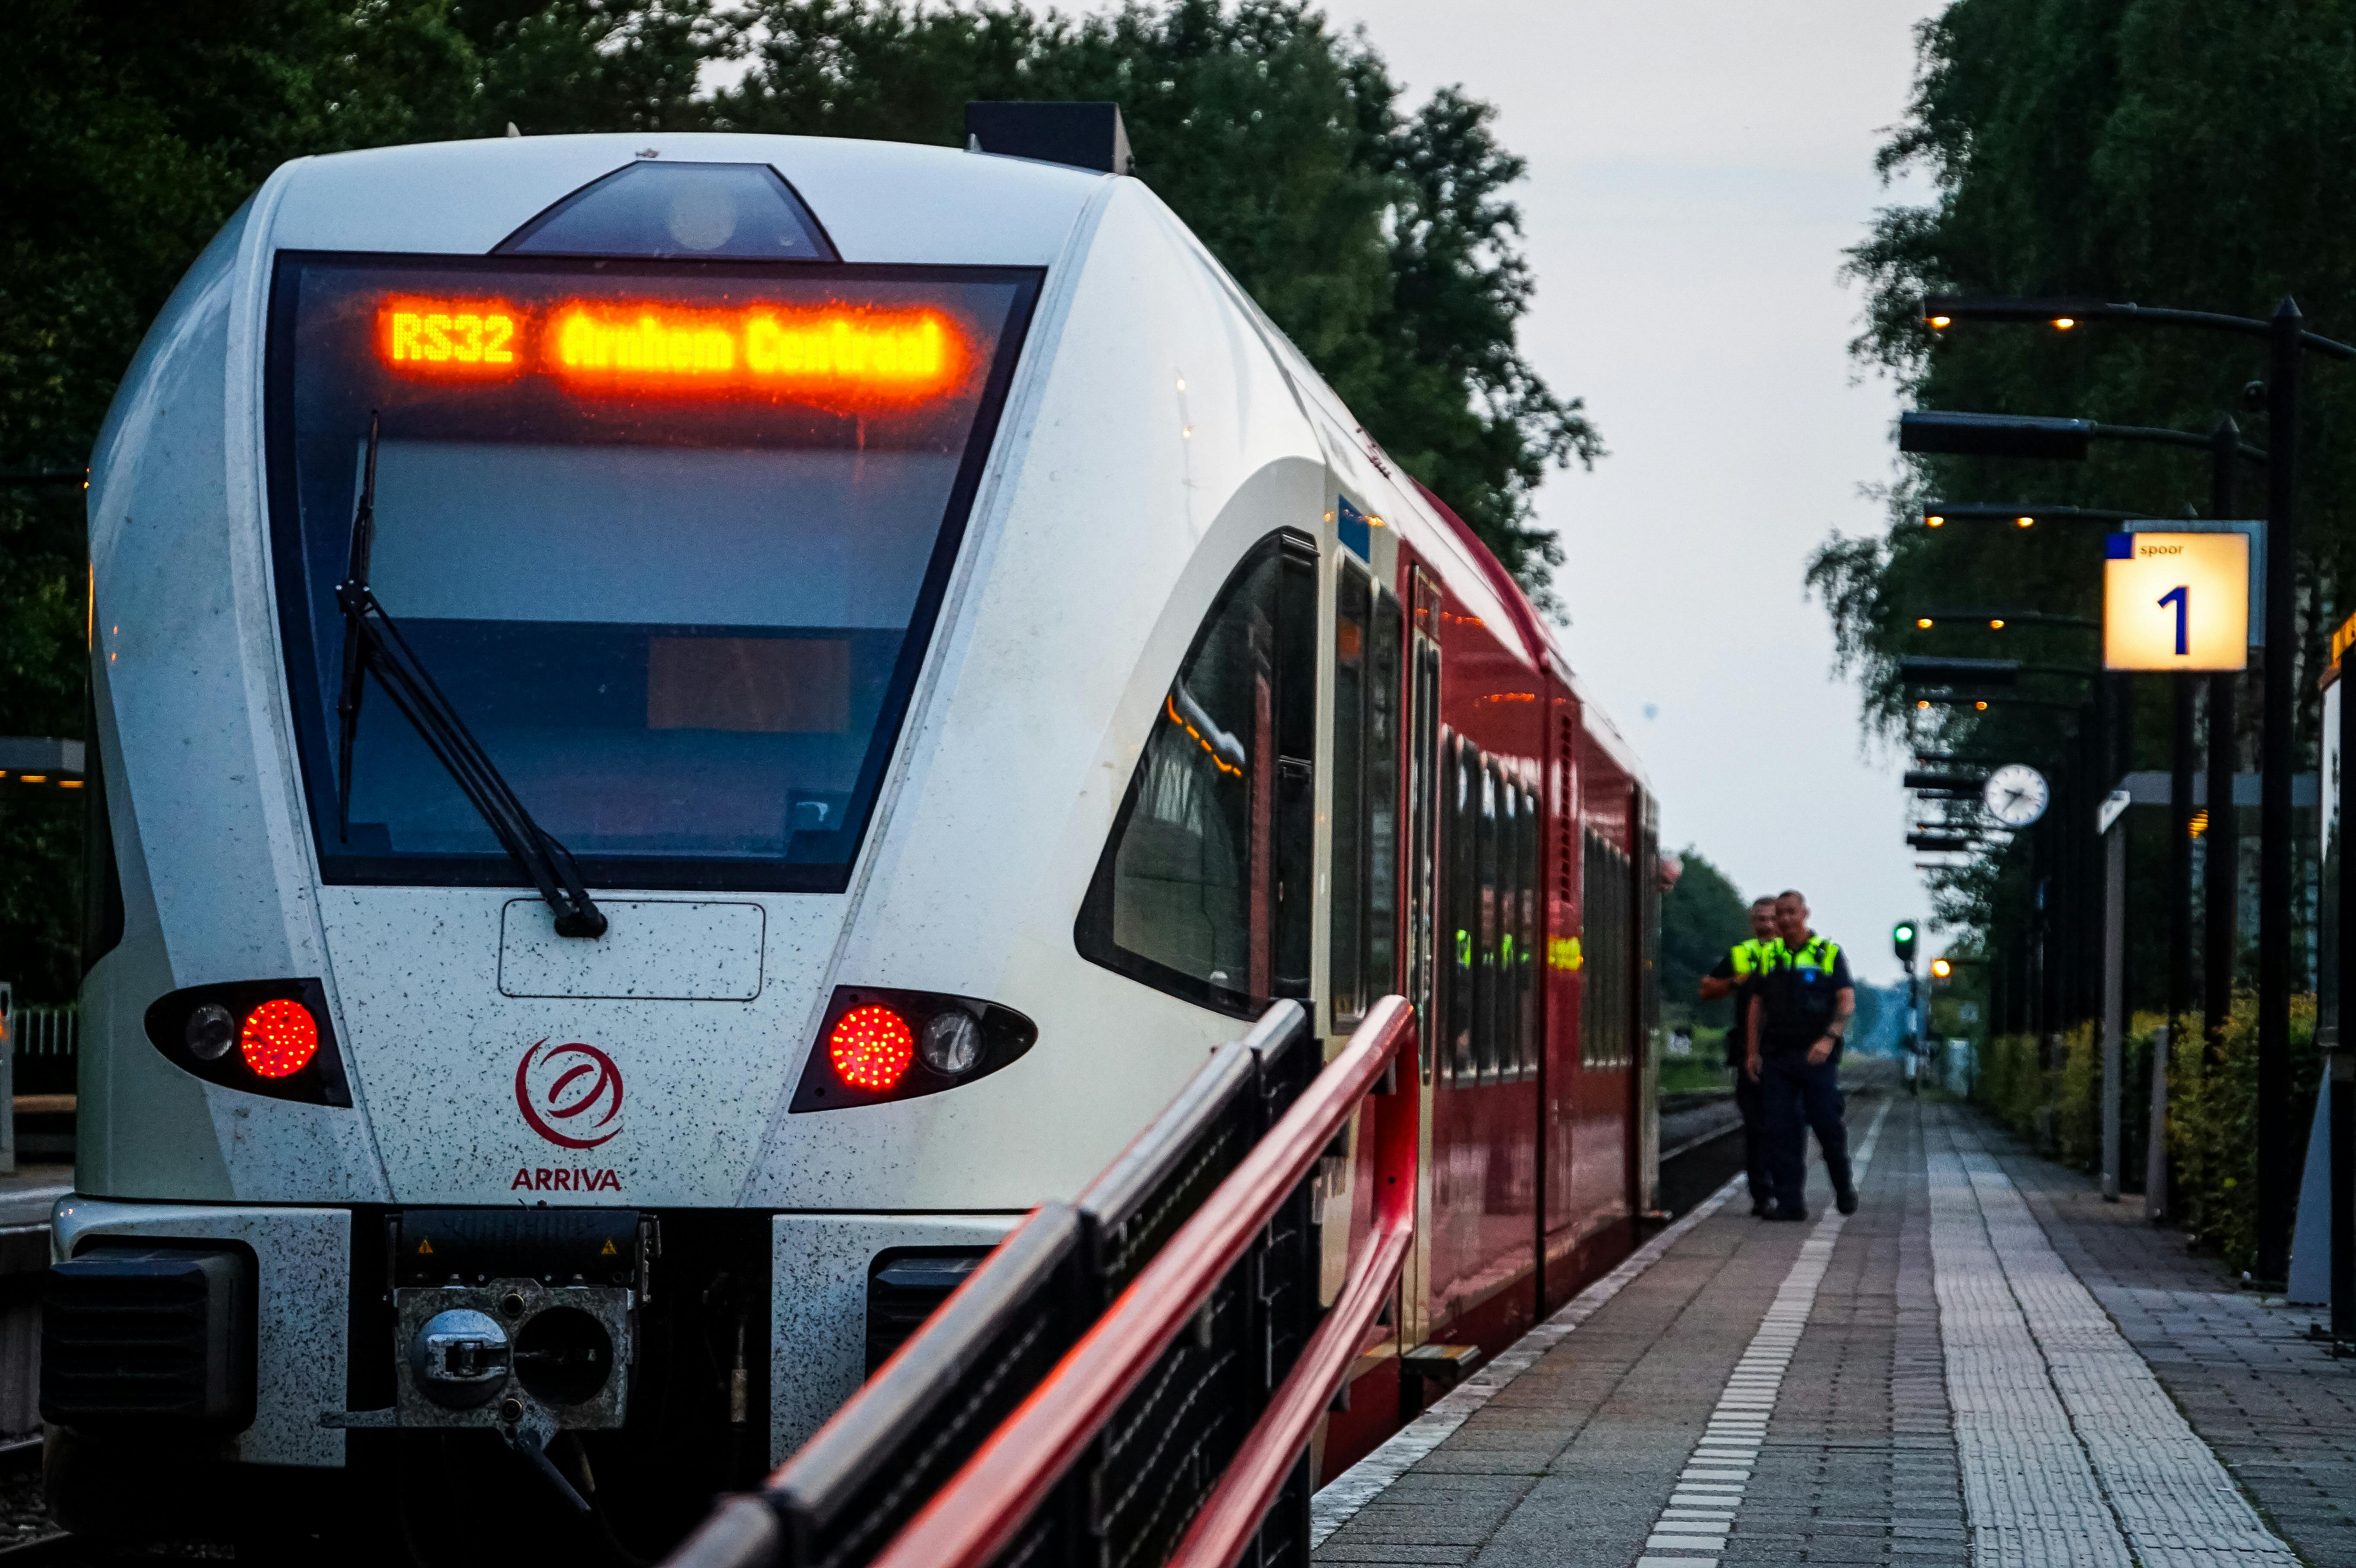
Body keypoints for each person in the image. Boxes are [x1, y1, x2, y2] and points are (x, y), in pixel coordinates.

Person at [1745, 889, 1856, 1220]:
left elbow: (1846, 1001)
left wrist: (1829, 1038)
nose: (1786, 920)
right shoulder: (1770, 956)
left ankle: (1843, 1187)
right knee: (1782, 1131)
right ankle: (1791, 1204)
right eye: (1781, 914)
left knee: (1826, 1125)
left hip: (1816, 1059)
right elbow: (1756, 1006)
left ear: (1805, 913)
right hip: (1778, 1056)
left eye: (1792, 912)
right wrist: (1752, 1051)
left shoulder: (1828, 953)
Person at [1699, 897, 1780, 1216]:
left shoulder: (1798, 954)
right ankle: (1762, 1193)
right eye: (1762, 919)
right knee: (1757, 1126)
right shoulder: (1742, 954)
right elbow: (1707, 990)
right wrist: (1735, 982)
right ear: (1753, 921)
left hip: (1787, 1051)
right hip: (1749, 1051)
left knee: (1785, 1124)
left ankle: (1781, 1186)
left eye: (1773, 919)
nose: (1768, 925)